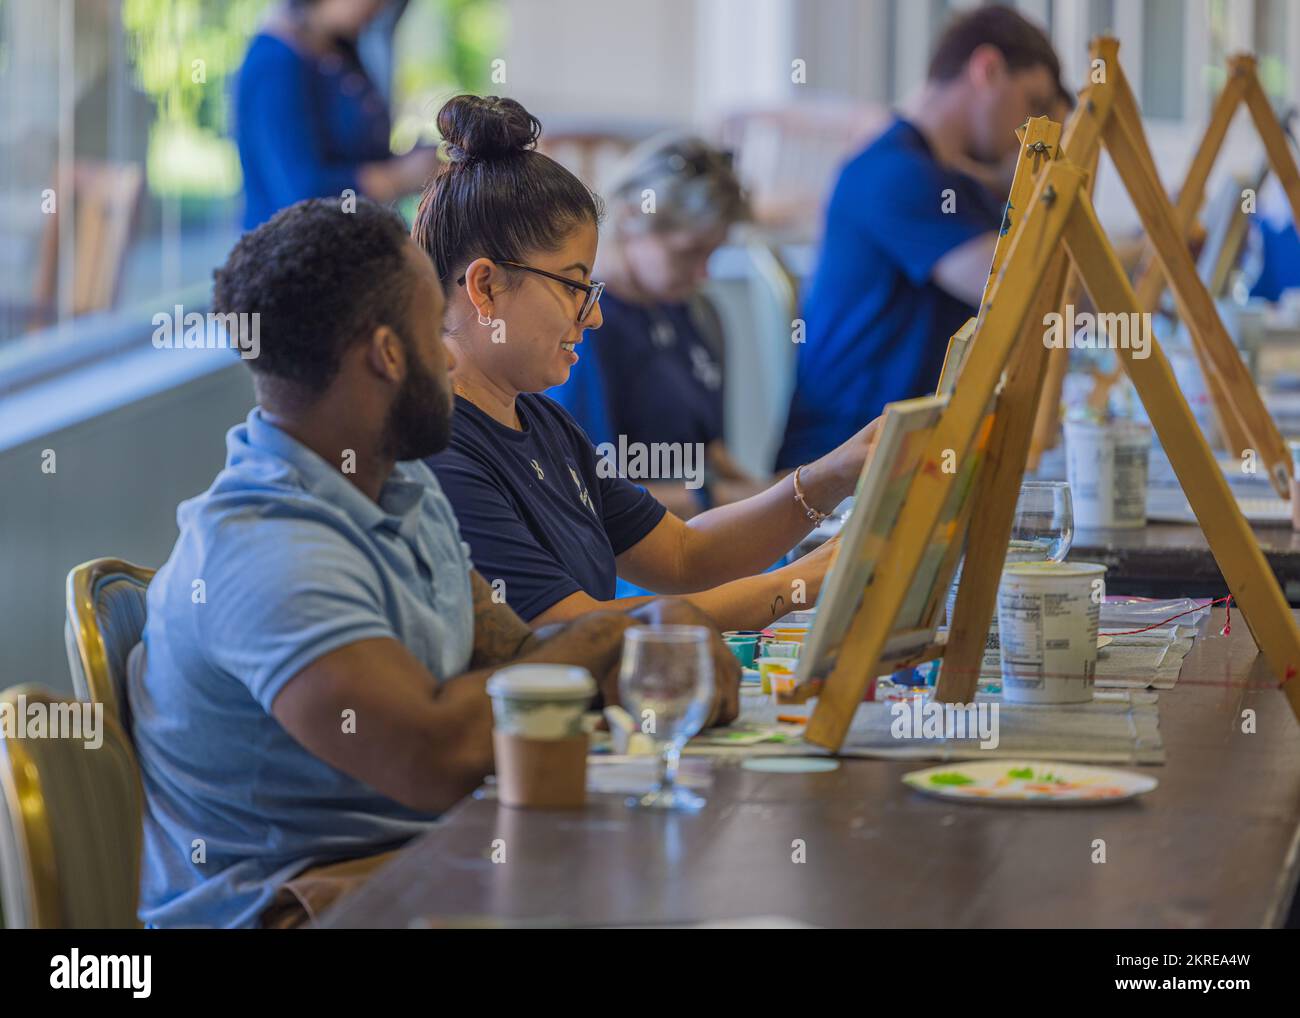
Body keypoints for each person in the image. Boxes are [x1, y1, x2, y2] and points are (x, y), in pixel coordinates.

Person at [127, 197, 739, 929]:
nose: (451, 355)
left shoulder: (397, 488)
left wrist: (654, 636)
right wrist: (625, 636)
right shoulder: (267, 555)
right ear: (388, 353)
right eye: (432, 333)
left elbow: (517, 652)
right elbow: (432, 755)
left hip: (420, 873)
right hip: (309, 908)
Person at [418, 95, 879, 630]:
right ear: (486, 286)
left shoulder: (545, 425)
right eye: (573, 288)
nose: (592, 319)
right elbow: (572, 629)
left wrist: (835, 473)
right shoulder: (440, 451)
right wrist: (799, 583)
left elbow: (685, 555)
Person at [775, 4, 1071, 469]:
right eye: (1033, 106)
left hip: (902, 461)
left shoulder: (956, 184)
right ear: (987, 69)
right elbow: (1022, 287)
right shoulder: (893, 173)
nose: (1032, 133)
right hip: (836, 470)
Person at [548, 134, 764, 517]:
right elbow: (587, 494)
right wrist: (718, 499)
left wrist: (780, 493)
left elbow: (709, 453)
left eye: (713, 253)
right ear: (632, 217)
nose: (704, 272)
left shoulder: (689, 312)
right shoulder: (584, 328)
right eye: (690, 252)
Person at [234, 0, 439, 229]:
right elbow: (304, 194)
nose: (382, 6)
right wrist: (398, 178)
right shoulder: (275, 62)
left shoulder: (340, 49)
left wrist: (417, 163)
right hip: (296, 252)